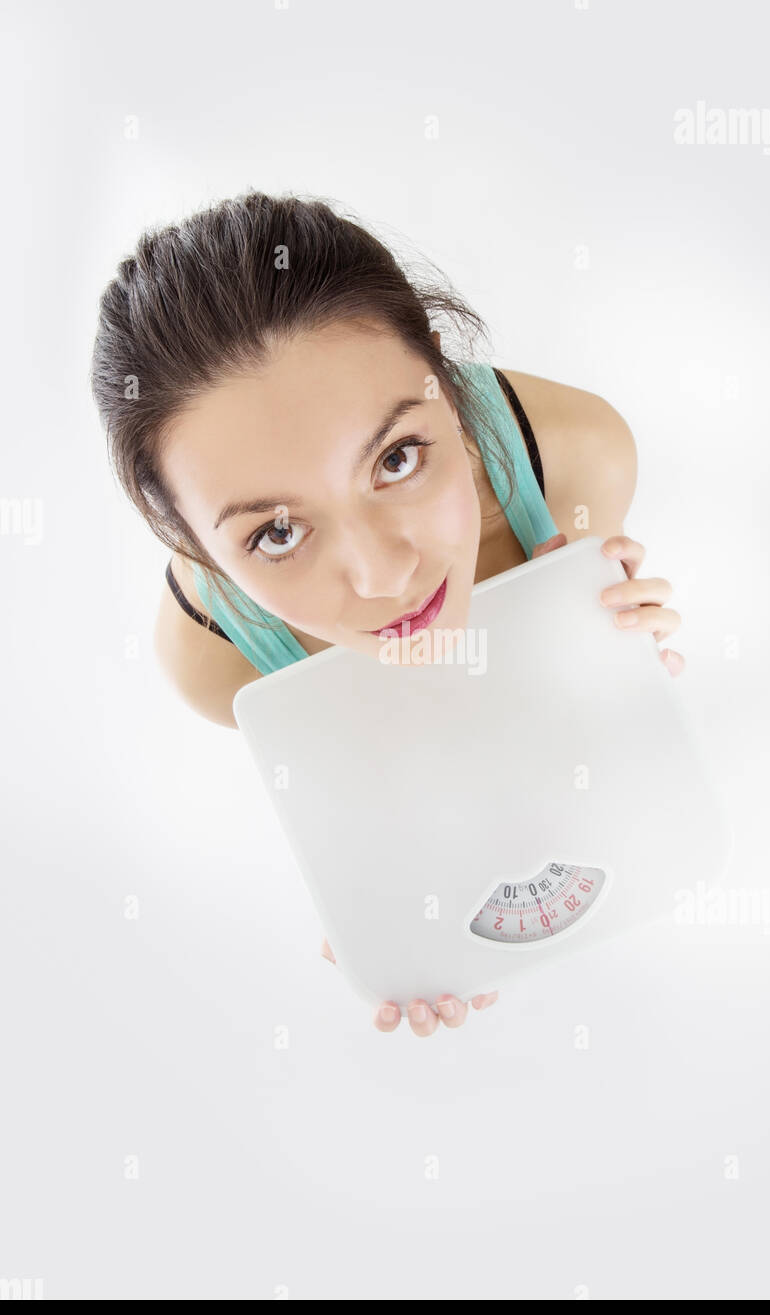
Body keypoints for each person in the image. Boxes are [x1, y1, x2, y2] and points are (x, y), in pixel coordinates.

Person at [90, 191, 683, 1037]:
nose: (384, 576)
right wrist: (389, 875)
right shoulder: (212, 658)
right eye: (278, 531)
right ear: (193, 545)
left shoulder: (576, 458)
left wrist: (602, 667)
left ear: (441, 383)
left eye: (398, 458)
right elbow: (386, 752)